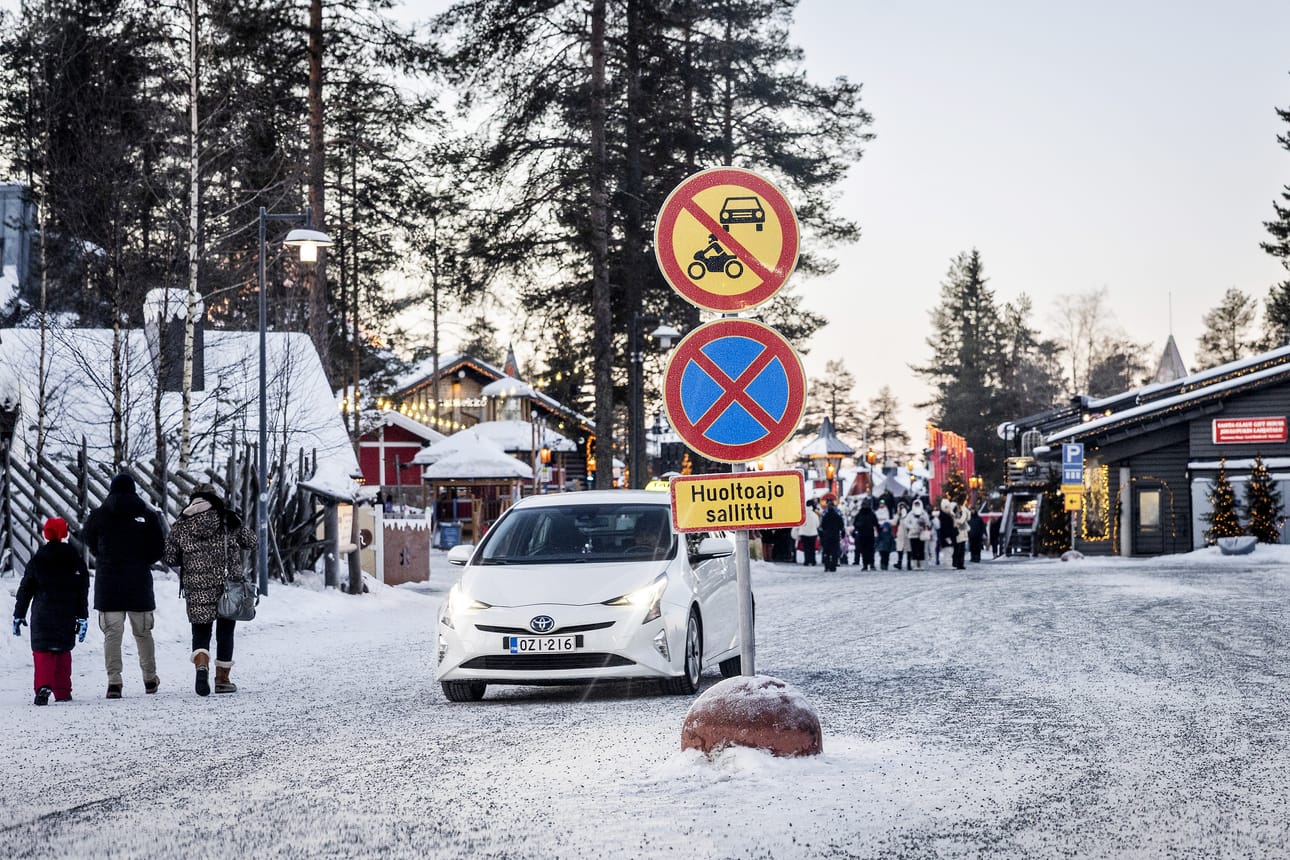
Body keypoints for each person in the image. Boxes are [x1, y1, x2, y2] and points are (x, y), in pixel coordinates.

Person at [164, 485, 256, 697]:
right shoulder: (228, 519)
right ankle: (222, 680)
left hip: (196, 588)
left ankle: (201, 666)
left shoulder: (181, 524)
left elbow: (170, 557)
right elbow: (251, 541)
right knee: (226, 632)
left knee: (201, 632)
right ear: (215, 499)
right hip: (227, 586)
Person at [82, 472, 165, 699]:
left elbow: (89, 540)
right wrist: (142, 560)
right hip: (139, 583)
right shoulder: (147, 515)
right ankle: (150, 678)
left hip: (108, 584)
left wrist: (105, 557)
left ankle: (114, 682)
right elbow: (158, 548)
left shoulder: (98, 515)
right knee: (143, 633)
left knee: (112, 634)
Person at [12, 518, 90, 705]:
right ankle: (63, 691)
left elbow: (25, 590)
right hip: (66, 614)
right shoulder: (75, 559)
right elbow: (82, 591)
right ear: (65, 534)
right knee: (63, 652)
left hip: (42, 614)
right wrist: (82, 616)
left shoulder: (38, 559)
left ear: (45, 534)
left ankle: (43, 686)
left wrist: (19, 614)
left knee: (43, 652)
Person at [818, 496, 845, 572]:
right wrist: (842, 533)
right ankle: (833, 566)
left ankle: (827, 566)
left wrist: (821, 535)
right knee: (834, 552)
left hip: (827, 536)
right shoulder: (838, 514)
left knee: (826, 552)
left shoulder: (825, 515)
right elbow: (842, 525)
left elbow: (822, 526)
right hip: (835, 536)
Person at [903, 499, 931, 570]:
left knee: (921, 550)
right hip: (913, 535)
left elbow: (928, 522)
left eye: (918, 504)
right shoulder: (911, 513)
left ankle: (921, 565)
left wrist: (923, 525)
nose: (917, 506)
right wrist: (912, 527)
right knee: (914, 550)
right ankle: (915, 565)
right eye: (916, 504)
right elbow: (905, 522)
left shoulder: (924, 513)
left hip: (922, 534)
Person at [853, 499, 878, 570]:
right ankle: (869, 564)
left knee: (866, 550)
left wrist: (858, 526)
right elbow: (875, 523)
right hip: (867, 534)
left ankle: (867, 565)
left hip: (865, 534)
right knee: (869, 550)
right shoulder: (870, 514)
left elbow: (855, 524)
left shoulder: (860, 514)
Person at [952, 501, 970, 570]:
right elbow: (960, 521)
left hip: (963, 536)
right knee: (958, 551)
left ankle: (961, 564)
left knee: (962, 551)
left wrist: (965, 512)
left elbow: (968, 518)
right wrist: (964, 513)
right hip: (958, 536)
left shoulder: (961, 514)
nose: (959, 509)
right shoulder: (954, 517)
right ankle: (957, 563)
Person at [938, 498, 956, 568]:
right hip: (947, 537)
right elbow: (945, 528)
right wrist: (947, 537)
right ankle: (948, 564)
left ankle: (948, 564)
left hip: (948, 536)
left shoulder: (946, 515)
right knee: (948, 550)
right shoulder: (944, 516)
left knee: (949, 550)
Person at [893, 501, 910, 570]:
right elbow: (894, 523)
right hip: (900, 532)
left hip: (908, 532)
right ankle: (899, 563)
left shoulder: (909, 514)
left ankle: (909, 564)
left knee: (909, 548)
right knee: (900, 548)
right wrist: (898, 514)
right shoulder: (898, 515)